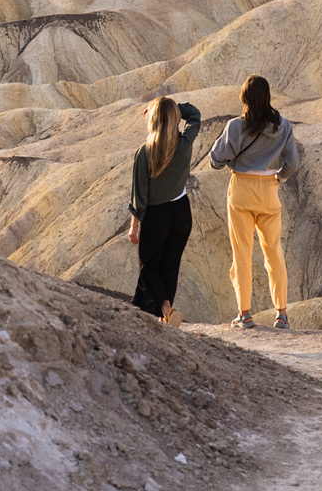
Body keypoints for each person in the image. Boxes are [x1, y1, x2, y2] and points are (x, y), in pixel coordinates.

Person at [209, 75, 299, 330]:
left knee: (242, 254)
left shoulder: (236, 127)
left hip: (241, 190)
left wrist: (232, 161)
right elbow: (292, 163)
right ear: (268, 97)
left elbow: (215, 160)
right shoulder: (283, 126)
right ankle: (281, 314)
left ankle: (245, 314)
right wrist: (278, 178)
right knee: (274, 252)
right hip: (270, 190)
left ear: (245, 99)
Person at [128, 96, 201, 325]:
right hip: (181, 213)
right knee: (170, 266)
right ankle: (164, 316)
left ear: (153, 119)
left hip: (156, 216)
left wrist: (134, 227)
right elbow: (196, 115)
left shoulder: (144, 152)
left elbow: (140, 196)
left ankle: (166, 308)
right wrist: (174, 109)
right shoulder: (184, 144)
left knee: (149, 269)